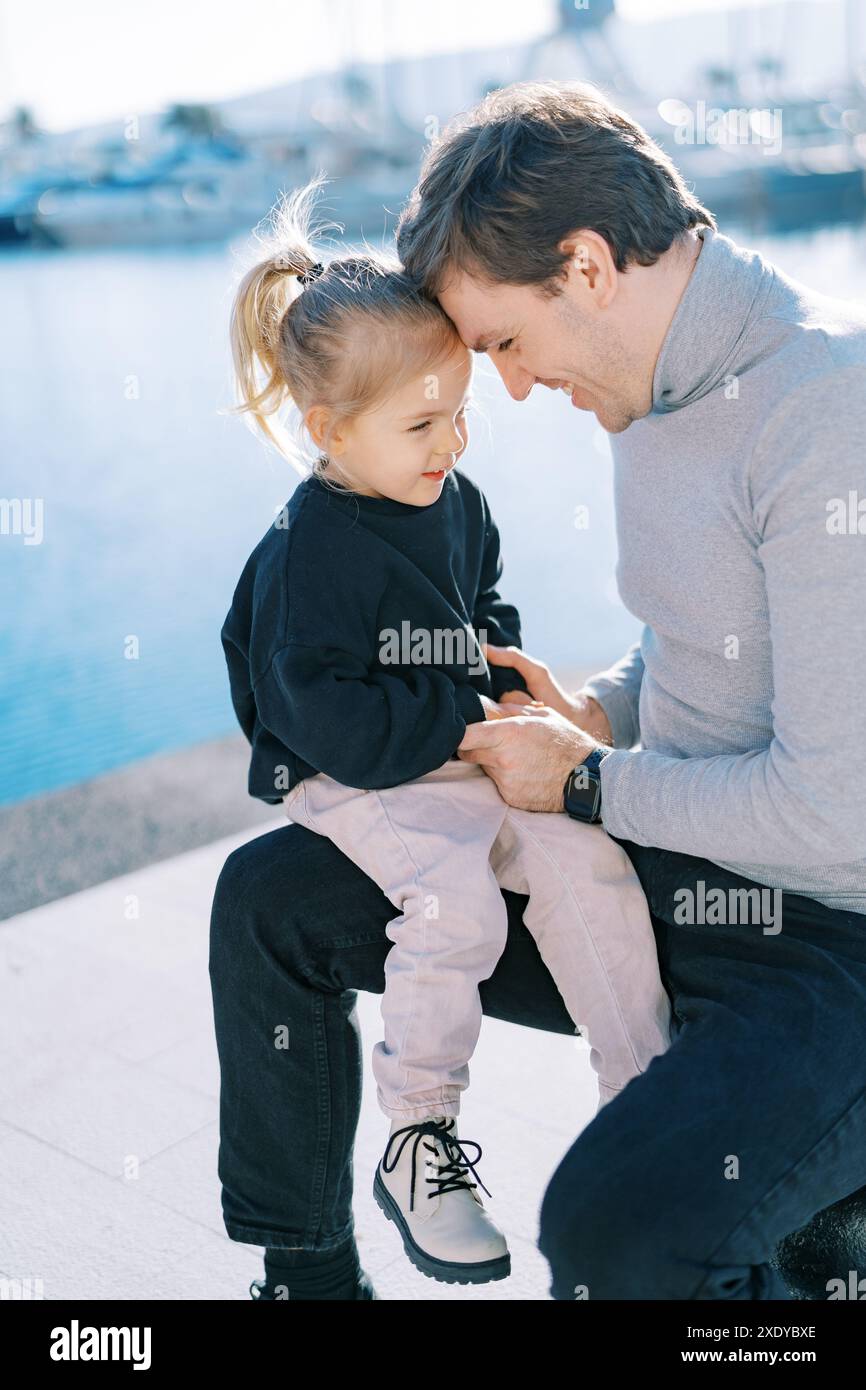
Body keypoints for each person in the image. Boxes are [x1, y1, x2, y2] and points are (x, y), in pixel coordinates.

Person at [390, 78, 866, 1299]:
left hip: (831, 931)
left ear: (587, 266)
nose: (502, 387)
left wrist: (589, 780)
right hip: (692, 866)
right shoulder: (644, 385)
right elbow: (701, 644)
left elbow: (834, 812)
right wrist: (600, 708)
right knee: (286, 890)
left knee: (614, 1242)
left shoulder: (824, 410)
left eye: (501, 343)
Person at [215, 179, 672, 1299]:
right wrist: (464, 721)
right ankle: (418, 1137)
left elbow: (482, 608)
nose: (450, 441)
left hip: (448, 751)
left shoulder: (452, 500)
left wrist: (505, 675)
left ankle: (647, 1108)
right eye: (421, 424)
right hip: (354, 773)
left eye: (458, 410)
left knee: (586, 863)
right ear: (327, 429)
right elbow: (327, 715)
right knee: (452, 904)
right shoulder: (311, 549)